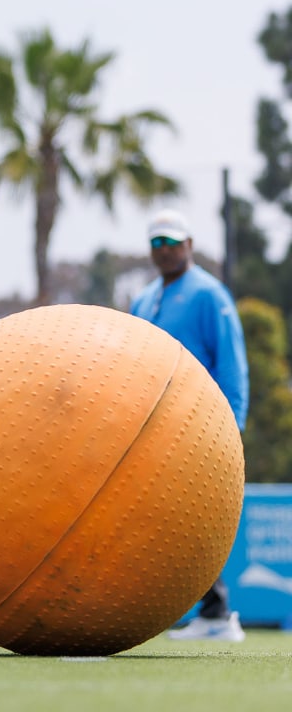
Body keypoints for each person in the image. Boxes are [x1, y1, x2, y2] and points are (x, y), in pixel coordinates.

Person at [130, 208, 248, 643]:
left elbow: (232, 363)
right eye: (157, 243)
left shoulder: (209, 295)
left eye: (173, 243)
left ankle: (217, 613)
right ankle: (199, 610)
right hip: (149, 432)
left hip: (200, 426)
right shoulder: (143, 299)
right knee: (160, 520)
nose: (165, 251)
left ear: (190, 245)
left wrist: (232, 424)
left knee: (197, 519)